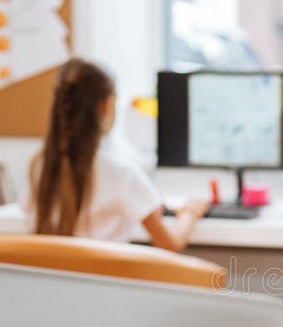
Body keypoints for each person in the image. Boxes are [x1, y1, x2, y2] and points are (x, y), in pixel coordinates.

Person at [23, 58, 208, 252]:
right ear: (105, 105)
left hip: (52, 282)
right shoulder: (121, 172)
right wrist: (188, 215)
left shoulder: (37, 166)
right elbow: (170, 245)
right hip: (104, 282)